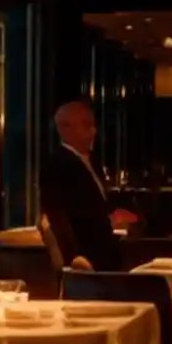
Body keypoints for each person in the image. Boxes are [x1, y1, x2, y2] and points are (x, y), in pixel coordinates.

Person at [40, 100, 138, 270]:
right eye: (86, 125)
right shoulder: (57, 167)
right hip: (87, 258)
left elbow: (100, 202)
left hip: (109, 248)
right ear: (65, 128)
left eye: (93, 125)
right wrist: (110, 220)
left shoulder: (93, 161)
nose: (93, 131)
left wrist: (116, 215)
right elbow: (65, 219)